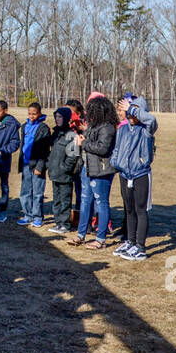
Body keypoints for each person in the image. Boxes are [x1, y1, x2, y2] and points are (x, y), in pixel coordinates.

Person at [111, 95, 158, 259]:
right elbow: (117, 148)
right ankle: (130, 241)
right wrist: (116, 162)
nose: (130, 116)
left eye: (134, 112)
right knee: (129, 209)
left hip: (140, 174)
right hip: (125, 174)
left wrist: (132, 108)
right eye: (128, 113)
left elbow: (151, 120)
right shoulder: (122, 129)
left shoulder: (146, 129)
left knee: (140, 209)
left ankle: (140, 246)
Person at [68, 94, 117, 249]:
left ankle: (101, 238)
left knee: (101, 203)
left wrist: (84, 143)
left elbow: (102, 148)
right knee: (85, 201)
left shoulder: (108, 128)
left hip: (101, 170)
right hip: (88, 168)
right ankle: (81, 234)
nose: (88, 114)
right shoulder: (95, 126)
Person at [17, 101, 52, 226]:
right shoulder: (24, 126)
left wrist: (40, 166)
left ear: (39, 114)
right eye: (30, 114)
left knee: (37, 193)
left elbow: (45, 151)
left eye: (34, 114)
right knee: (25, 192)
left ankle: (37, 216)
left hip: (37, 165)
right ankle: (28, 215)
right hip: (26, 164)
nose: (32, 116)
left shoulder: (44, 128)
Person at [47, 106, 81, 233]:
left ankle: (65, 224)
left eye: (60, 117)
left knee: (65, 200)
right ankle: (58, 222)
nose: (57, 119)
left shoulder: (71, 134)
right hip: (54, 171)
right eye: (56, 116)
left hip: (64, 174)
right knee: (56, 199)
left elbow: (73, 155)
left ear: (66, 118)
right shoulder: (55, 133)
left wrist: (65, 168)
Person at [66, 97, 85, 215]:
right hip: (67, 162)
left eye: (70, 112)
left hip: (79, 163)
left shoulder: (83, 126)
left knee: (80, 190)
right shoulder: (65, 126)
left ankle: (80, 213)